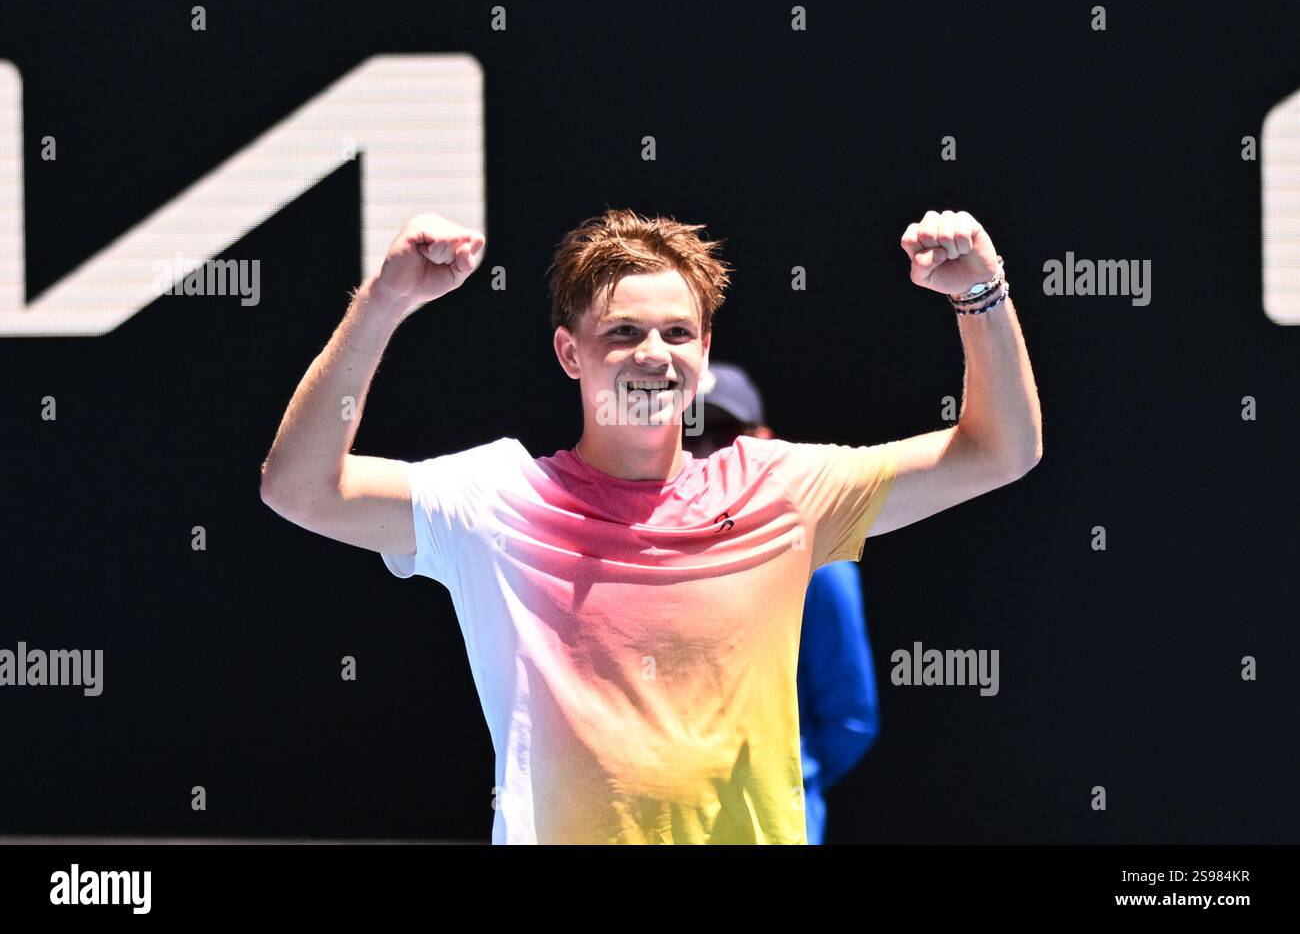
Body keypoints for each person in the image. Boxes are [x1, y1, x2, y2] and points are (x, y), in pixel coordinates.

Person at [259, 208, 1042, 843]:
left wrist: (982, 293)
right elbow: (299, 489)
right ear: (571, 353)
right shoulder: (495, 498)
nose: (652, 355)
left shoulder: (785, 487)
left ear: (704, 352)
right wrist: (385, 301)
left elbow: (999, 450)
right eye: (623, 333)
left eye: (676, 333)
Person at [682, 362, 881, 845]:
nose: (704, 452)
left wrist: (784, 780)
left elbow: (850, 718)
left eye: (724, 434)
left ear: (764, 441)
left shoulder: (816, 561)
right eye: (687, 434)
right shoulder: (634, 550)